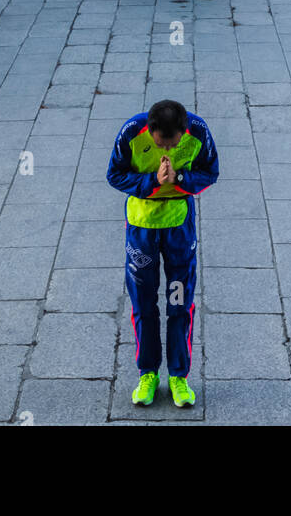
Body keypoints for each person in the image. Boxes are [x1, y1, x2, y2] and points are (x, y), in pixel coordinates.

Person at [107, 99, 219, 409]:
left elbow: (211, 172)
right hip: (141, 229)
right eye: (160, 143)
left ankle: (178, 376)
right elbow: (114, 175)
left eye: (174, 143)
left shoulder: (199, 132)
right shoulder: (131, 132)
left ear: (185, 130)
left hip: (178, 229)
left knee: (179, 301)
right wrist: (151, 182)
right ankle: (148, 373)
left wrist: (179, 179)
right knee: (144, 303)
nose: (167, 149)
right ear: (150, 129)